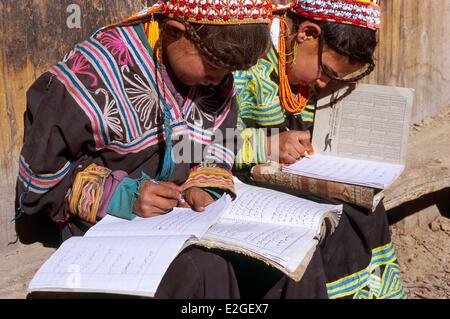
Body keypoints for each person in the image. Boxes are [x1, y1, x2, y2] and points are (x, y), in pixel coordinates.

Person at [15, 0, 272, 243]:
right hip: (102, 232)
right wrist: (122, 196)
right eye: (211, 66)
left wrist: (202, 185)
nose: (219, 81)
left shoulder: (216, 80)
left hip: (179, 226)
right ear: (174, 32)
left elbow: (220, 140)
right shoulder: (92, 73)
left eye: (228, 71)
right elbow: (41, 179)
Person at [230, 0, 407, 299]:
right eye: (325, 70)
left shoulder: (299, 63)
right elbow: (195, 146)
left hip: (286, 169)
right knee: (330, 219)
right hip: (239, 178)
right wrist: (266, 145)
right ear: (307, 34)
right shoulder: (246, 55)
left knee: (366, 208)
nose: (323, 82)